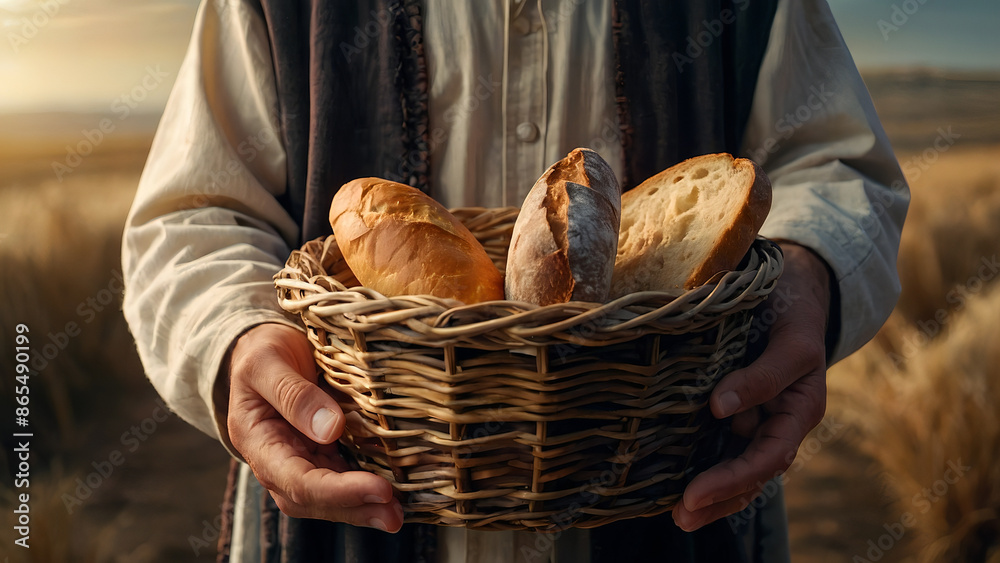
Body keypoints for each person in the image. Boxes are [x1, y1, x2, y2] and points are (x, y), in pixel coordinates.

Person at [121, 0, 908, 561]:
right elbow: (193, 212)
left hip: (676, 504)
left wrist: (803, 282)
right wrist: (237, 340)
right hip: (352, 515)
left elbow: (831, 163)